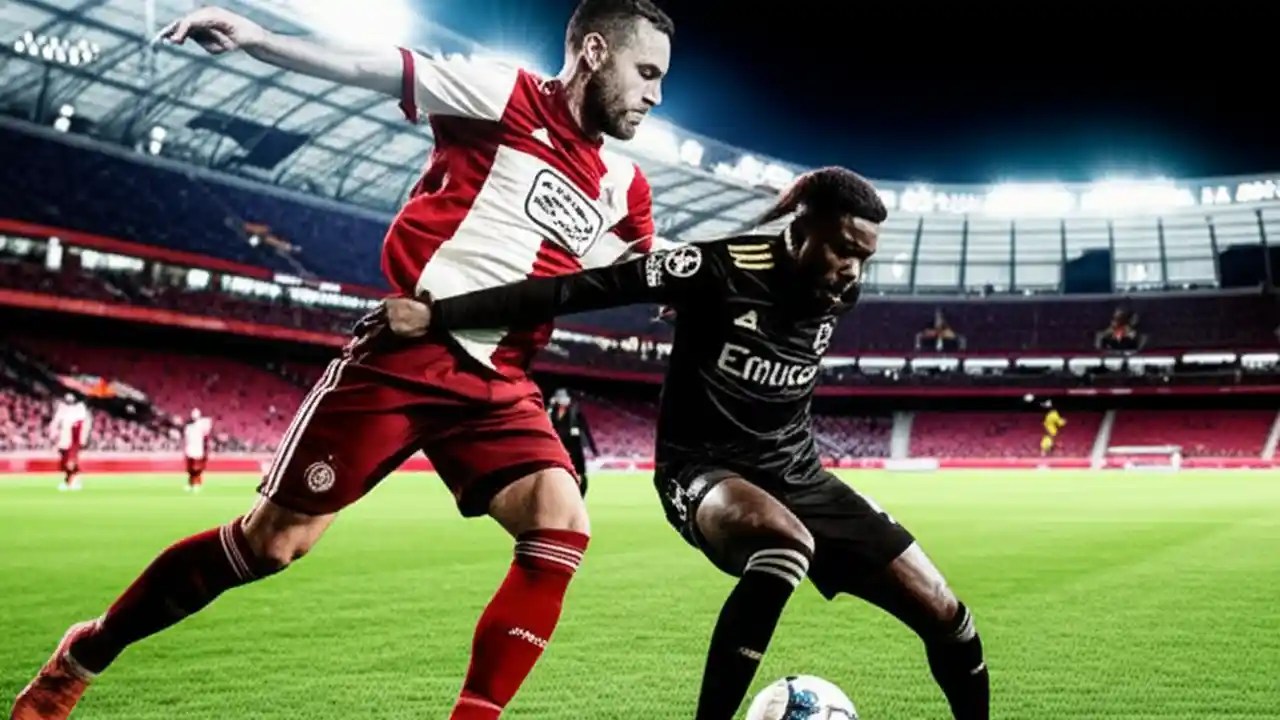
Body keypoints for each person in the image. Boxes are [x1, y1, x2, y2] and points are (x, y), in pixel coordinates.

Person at [12, 2, 674, 718]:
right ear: (594, 52)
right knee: (272, 545)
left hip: (502, 381)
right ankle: (83, 655)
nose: (655, 95)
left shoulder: (624, 186)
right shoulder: (503, 94)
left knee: (561, 522)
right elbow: (369, 65)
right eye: (646, 72)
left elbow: (650, 268)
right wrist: (260, 38)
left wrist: (709, 279)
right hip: (410, 354)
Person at [369, 167, 990, 720]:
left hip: (799, 472)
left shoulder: (839, 289)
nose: (853, 269)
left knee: (947, 614)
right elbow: (575, 290)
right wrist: (439, 314)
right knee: (784, 544)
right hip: (704, 471)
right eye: (844, 249)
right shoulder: (712, 268)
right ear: (801, 229)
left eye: (864, 257)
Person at [547, 389, 598, 489]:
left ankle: (580, 489)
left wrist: (593, 449)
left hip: (574, 448)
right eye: (560, 398)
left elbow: (585, 431)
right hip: (558, 448)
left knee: (578, 473)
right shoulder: (552, 412)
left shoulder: (575, 412)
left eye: (564, 398)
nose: (563, 401)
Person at [49, 393, 91, 492]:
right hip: (64, 441)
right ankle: (72, 481)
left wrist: (83, 440)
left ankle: (70, 482)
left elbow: (83, 426)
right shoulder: (62, 410)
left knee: (70, 462)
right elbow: (55, 423)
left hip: (73, 439)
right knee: (66, 463)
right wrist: (54, 435)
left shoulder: (80, 410)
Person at [183, 409, 213, 492]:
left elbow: (207, 429)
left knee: (197, 468)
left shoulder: (202, 425)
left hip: (198, 449)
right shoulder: (189, 426)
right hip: (190, 449)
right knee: (190, 469)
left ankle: (197, 483)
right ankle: (191, 483)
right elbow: (186, 438)